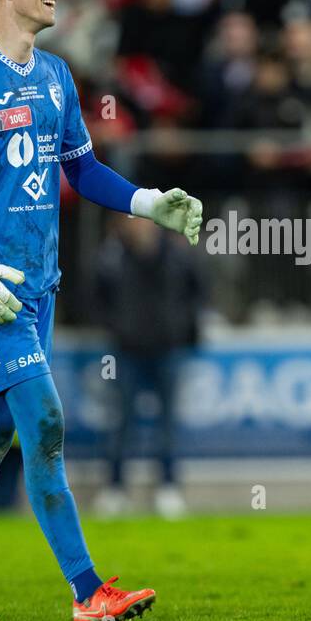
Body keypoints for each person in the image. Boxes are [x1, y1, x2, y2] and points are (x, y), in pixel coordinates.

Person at [0, 0, 204, 621]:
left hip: (39, 289)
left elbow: (82, 171)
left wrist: (147, 201)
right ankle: (87, 590)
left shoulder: (58, 77)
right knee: (45, 421)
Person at [93, 217, 204, 519]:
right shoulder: (113, 258)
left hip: (168, 348)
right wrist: (117, 329)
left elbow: (197, 294)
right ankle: (115, 489)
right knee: (122, 422)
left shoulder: (178, 255)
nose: (140, 228)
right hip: (128, 350)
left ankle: (169, 488)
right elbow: (97, 299)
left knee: (167, 423)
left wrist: (185, 332)